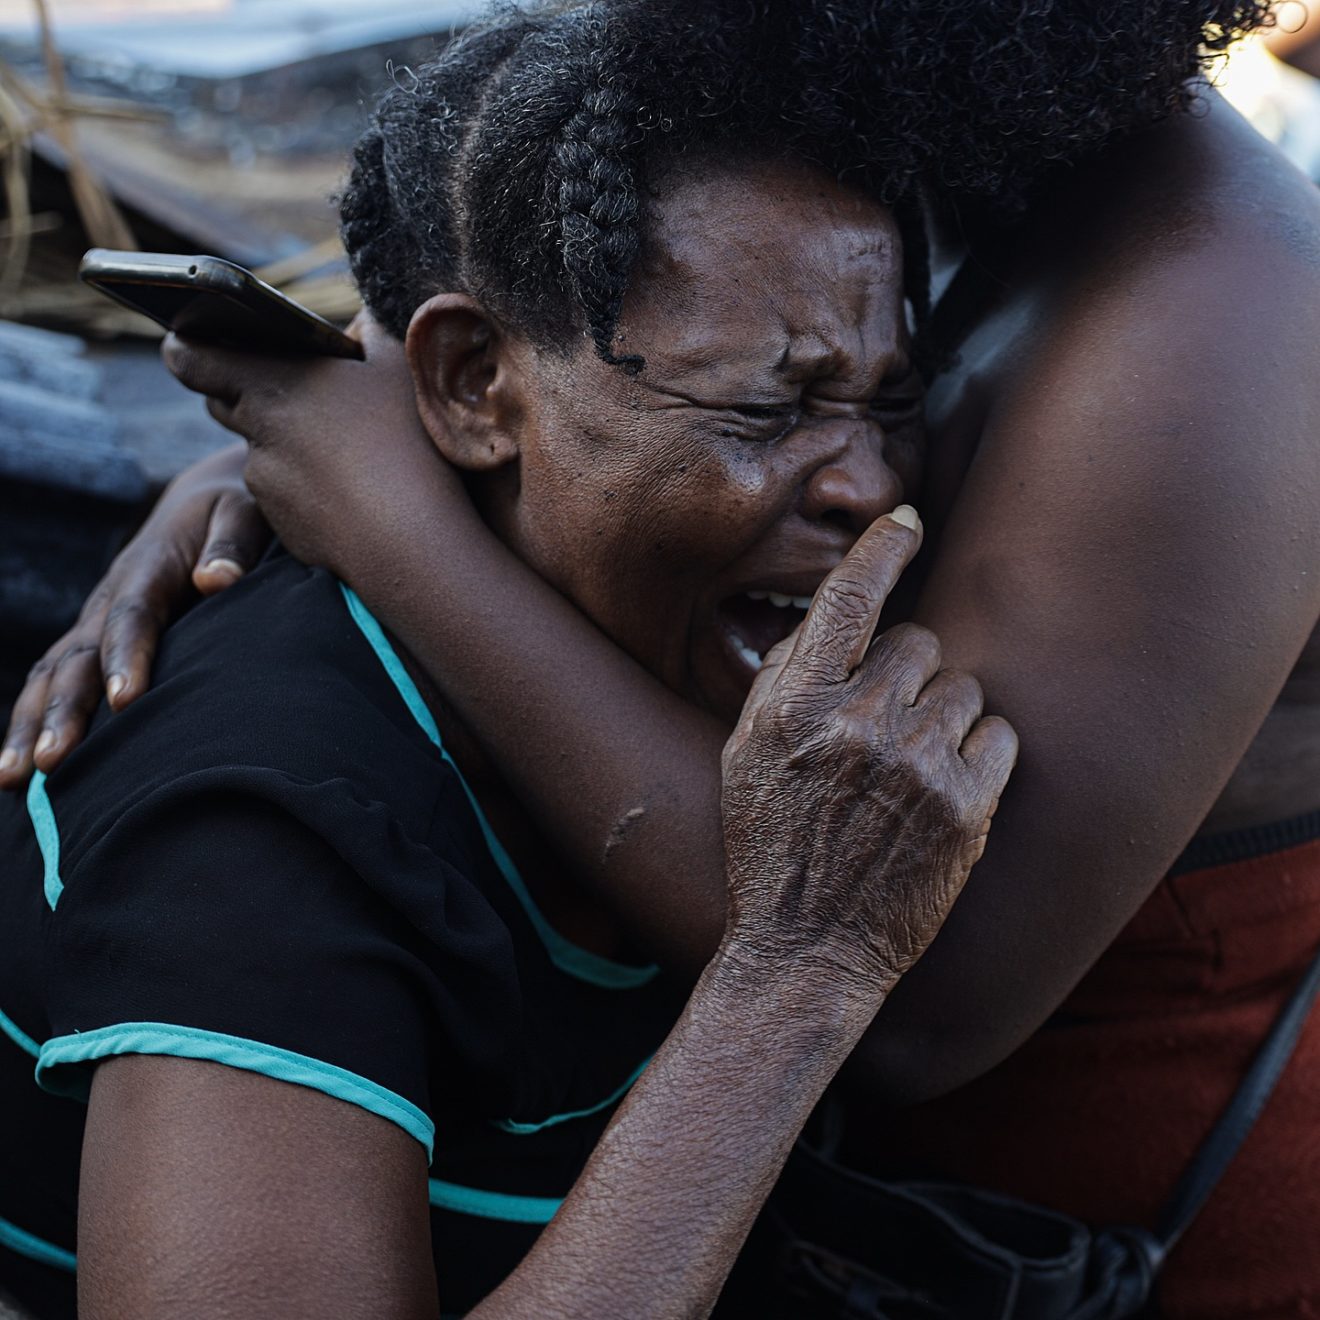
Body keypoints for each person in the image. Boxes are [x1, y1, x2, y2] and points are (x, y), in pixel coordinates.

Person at [9, 0, 1320, 1314]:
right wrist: (295, 461)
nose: (875, 490)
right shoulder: (283, 823)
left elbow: (916, 993)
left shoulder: (1225, 287)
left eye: (893, 402)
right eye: (770, 406)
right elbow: (531, 317)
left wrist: (390, 518)